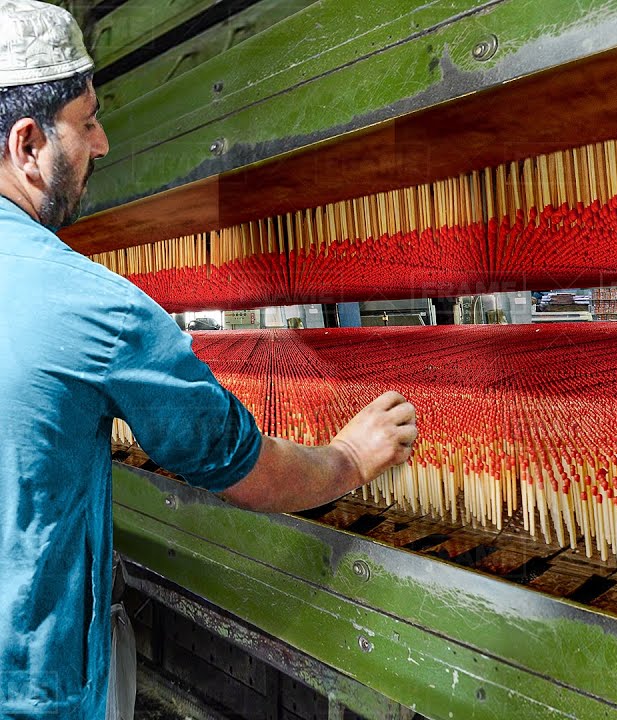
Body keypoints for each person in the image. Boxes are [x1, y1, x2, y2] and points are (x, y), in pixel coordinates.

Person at [0, 3, 417, 717]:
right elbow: (241, 469)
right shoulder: (94, 308)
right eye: (88, 119)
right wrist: (348, 459)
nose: (100, 143)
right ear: (29, 144)